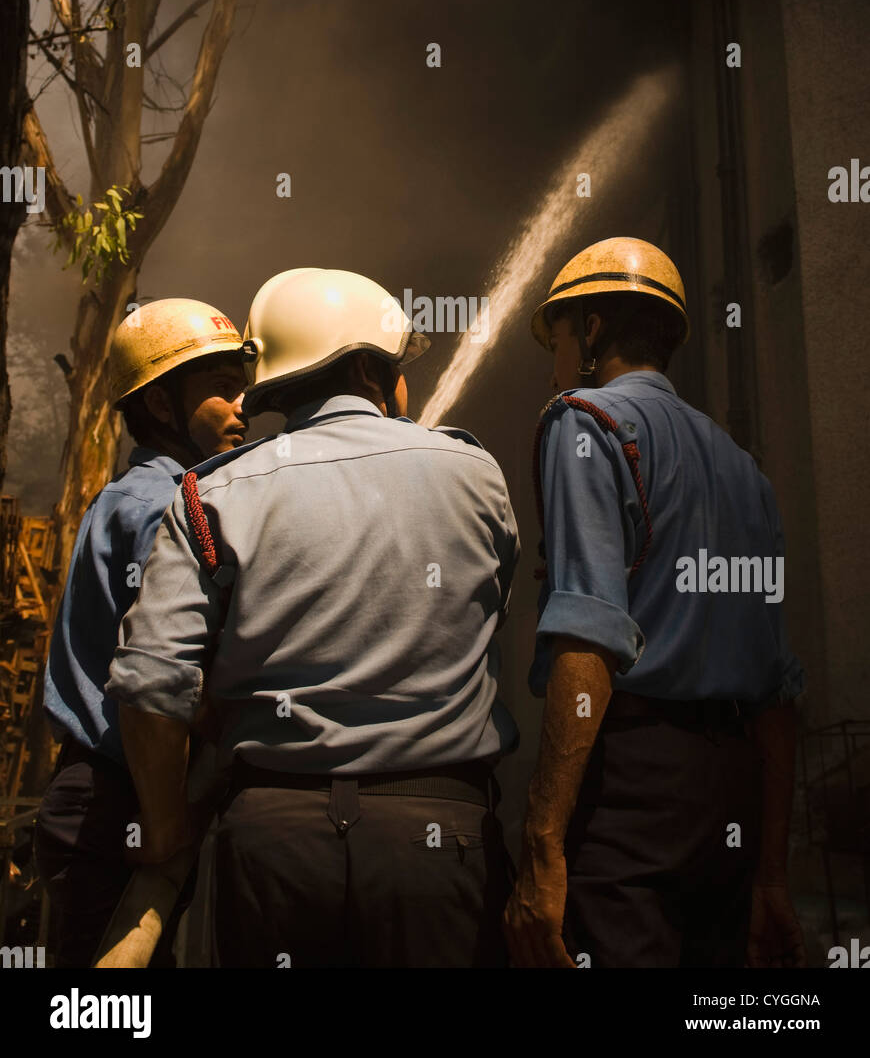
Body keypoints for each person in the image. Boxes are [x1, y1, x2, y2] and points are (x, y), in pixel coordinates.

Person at [107, 267, 520, 968]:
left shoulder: (209, 495)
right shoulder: (472, 471)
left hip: (272, 844)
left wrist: (168, 829)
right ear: (366, 367)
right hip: (440, 835)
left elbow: (149, 683)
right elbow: (494, 606)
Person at [504, 237, 806, 969]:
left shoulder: (585, 420)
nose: (553, 360)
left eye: (560, 336)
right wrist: (770, 875)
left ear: (594, 331)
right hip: (731, 790)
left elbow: (588, 634)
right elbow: (776, 692)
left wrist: (543, 844)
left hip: (636, 790)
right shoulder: (746, 469)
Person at [35, 299, 248, 968]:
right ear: (160, 405)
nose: (242, 405)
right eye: (219, 388)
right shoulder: (161, 507)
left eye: (240, 384)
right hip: (122, 802)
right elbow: (171, 674)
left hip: (108, 796)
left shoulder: (137, 494)